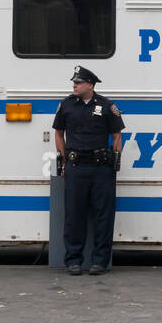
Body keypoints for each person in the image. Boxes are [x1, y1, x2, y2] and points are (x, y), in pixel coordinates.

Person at [53, 66, 125, 275]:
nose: (74, 85)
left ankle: (100, 262)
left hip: (101, 168)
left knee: (103, 216)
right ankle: (73, 261)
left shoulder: (107, 106)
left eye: (79, 82)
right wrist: (63, 159)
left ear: (90, 85)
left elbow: (117, 136)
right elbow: (59, 134)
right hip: (75, 167)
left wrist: (115, 161)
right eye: (74, 82)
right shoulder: (66, 105)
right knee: (74, 215)